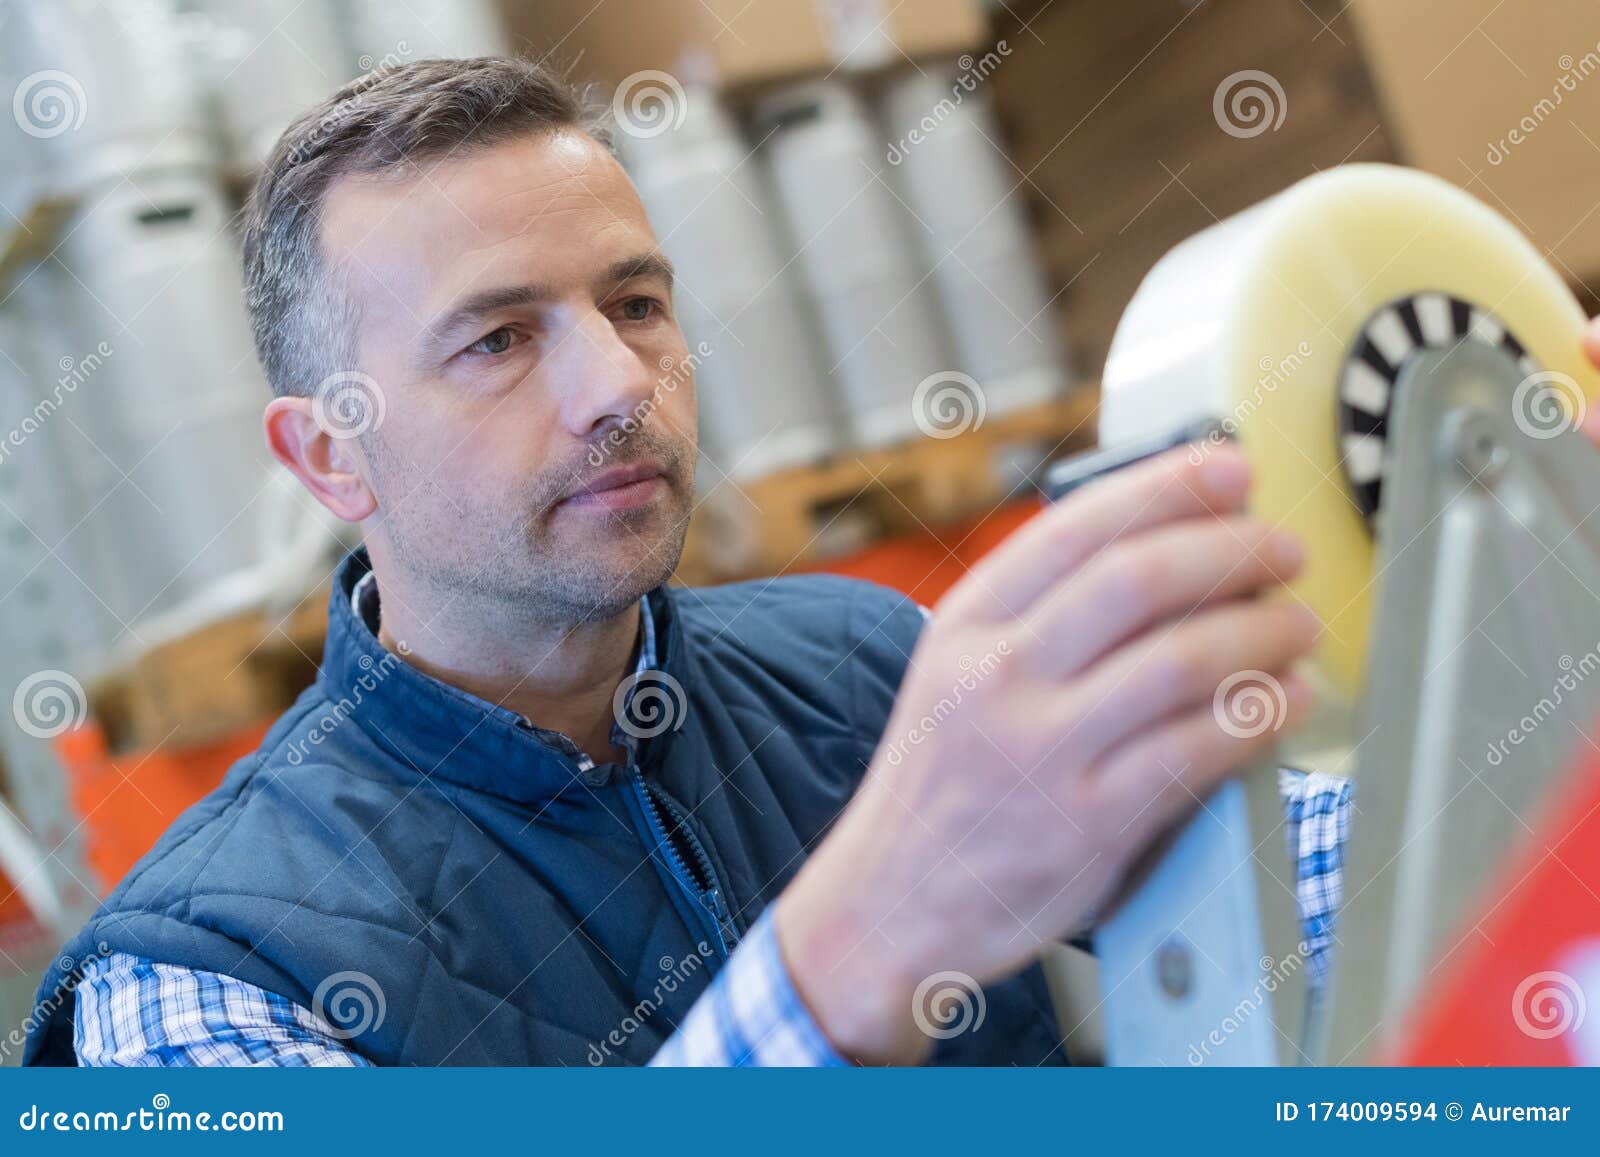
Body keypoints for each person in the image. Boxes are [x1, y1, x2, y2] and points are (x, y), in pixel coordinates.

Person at [26, 56, 1327, 1067]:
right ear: (327, 459)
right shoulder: (198, 972)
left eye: (634, 304)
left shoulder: (871, 665)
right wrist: (857, 947)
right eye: (496, 340)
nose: (617, 385)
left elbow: (1300, 880)